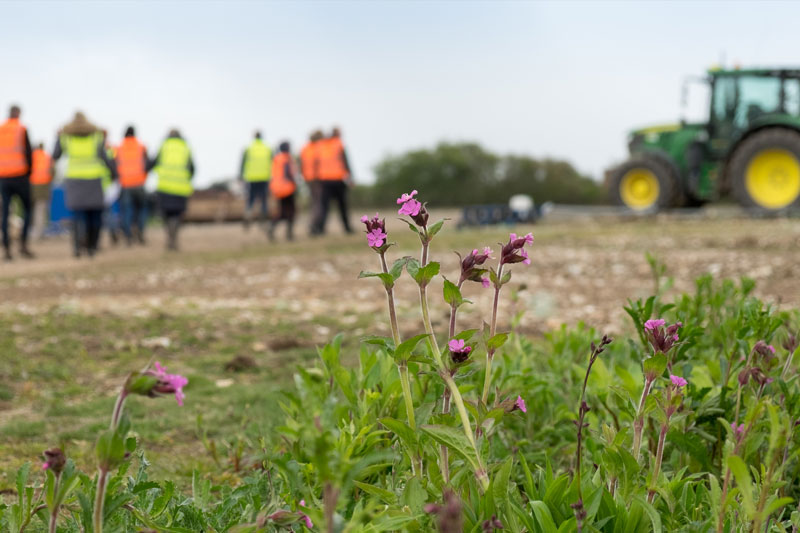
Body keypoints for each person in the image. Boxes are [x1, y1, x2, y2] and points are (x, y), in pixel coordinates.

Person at [52, 112, 116, 258]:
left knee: (77, 216)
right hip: (94, 178)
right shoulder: (96, 137)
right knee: (95, 215)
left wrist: (57, 137)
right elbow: (105, 158)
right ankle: (92, 247)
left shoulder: (65, 137)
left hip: (74, 179)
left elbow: (55, 155)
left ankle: (76, 247)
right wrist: (113, 174)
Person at [0, 104, 34, 260]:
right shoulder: (21, 129)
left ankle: (6, 248)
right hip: (20, 176)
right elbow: (28, 153)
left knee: (5, 213)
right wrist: (29, 174)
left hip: (3, 178)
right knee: (27, 209)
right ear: (18, 114)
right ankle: (23, 244)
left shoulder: (1, 129)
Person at [151, 129, 194, 251]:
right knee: (176, 214)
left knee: (165, 213)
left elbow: (154, 162)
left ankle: (169, 235)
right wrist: (187, 178)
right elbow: (192, 168)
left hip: (164, 185)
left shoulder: (163, 146)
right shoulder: (186, 147)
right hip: (180, 187)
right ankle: (174, 236)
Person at [116, 126, 149, 245]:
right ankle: (140, 231)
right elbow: (147, 164)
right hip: (139, 183)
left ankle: (128, 235)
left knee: (127, 211)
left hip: (125, 183)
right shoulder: (141, 147)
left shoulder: (119, 148)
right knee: (142, 209)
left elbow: (114, 164)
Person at [317, 127, 353, 234]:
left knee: (324, 207)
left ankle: (320, 229)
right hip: (338, 179)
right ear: (337, 134)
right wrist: (350, 177)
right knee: (342, 206)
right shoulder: (338, 144)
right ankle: (347, 228)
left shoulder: (321, 145)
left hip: (324, 180)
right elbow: (346, 161)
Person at [239, 130, 271, 231]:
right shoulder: (267, 148)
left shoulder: (248, 148)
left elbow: (242, 163)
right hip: (264, 177)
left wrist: (240, 176)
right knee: (264, 200)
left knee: (251, 199)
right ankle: (263, 218)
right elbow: (273, 162)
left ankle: (248, 214)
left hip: (251, 177)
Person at [268, 141, 297, 241]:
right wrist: (294, 182)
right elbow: (288, 173)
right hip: (287, 188)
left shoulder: (276, 159)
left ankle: (272, 227)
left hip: (277, 188)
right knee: (291, 212)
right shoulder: (287, 158)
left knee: (283, 211)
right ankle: (289, 234)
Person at [300, 130, 323, 235]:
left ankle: (314, 225)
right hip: (316, 178)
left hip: (307, 178)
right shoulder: (317, 149)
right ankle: (313, 226)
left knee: (314, 202)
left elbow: (301, 164)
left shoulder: (305, 149)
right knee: (318, 203)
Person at [100, 130, 121, 246]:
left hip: (96, 185)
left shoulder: (94, 149)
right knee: (107, 213)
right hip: (107, 186)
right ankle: (113, 232)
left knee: (99, 213)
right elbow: (114, 166)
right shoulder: (110, 150)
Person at [30, 142, 53, 240]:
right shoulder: (47, 157)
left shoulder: (32, 156)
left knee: (31, 211)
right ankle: (39, 233)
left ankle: (32, 232)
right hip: (44, 187)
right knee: (41, 211)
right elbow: (52, 172)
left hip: (31, 187)